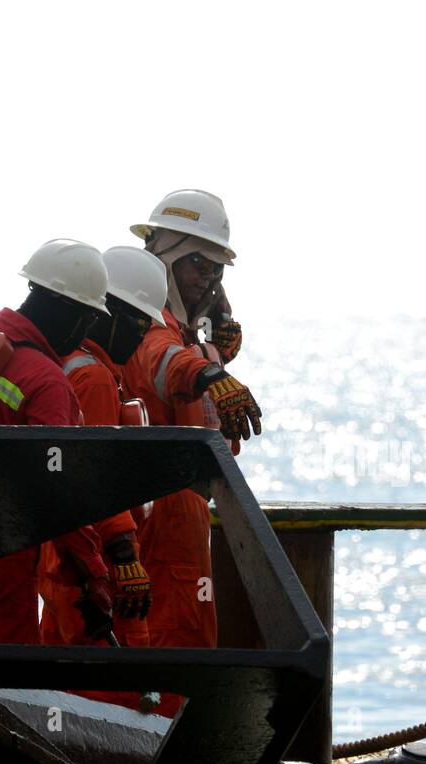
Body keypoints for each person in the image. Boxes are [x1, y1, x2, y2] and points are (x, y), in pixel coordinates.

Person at [0, 239, 115, 646]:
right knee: (2, 687)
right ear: (71, 312)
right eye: (88, 320)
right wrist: (93, 572)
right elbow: (58, 489)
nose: (85, 333)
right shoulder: (47, 382)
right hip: (2, 557)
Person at [120, 190, 262, 648]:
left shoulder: (181, 329)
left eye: (218, 270)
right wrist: (212, 373)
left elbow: (184, 351)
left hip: (180, 516)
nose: (210, 278)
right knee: (171, 651)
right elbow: (163, 364)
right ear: (168, 259)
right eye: (201, 265)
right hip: (159, 525)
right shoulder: (148, 324)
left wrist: (217, 326)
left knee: (188, 644)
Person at [38, 246, 169, 662]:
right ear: (107, 312)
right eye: (139, 323)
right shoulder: (94, 378)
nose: (141, 335)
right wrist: (125, 558)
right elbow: (93, 478)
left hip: (65, 559)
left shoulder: (69, 362)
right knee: (118, 684)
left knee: (62, 673)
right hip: (98, 565)